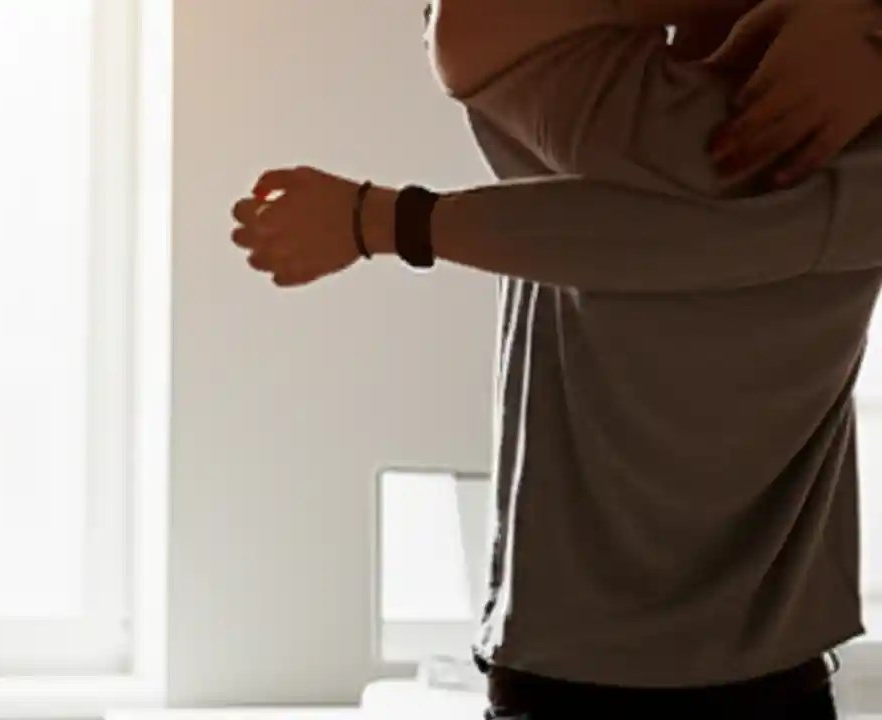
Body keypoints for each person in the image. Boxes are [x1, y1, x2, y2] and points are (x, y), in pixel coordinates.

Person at [229, 0, 882, 716]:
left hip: (577, 663)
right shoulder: (859, 136)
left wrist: (385, 221)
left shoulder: (602, 103)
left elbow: (658, 236)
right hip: (740, 673)